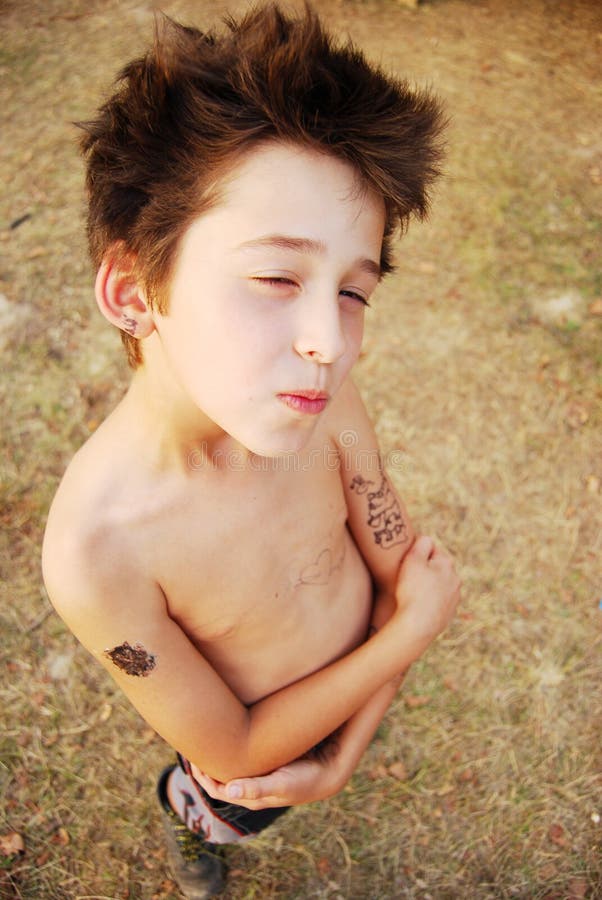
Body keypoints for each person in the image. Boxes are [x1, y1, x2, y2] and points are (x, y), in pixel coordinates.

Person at [42, 5, 460, 897]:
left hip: (366, 673)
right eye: (275, 276)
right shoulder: (97, 552)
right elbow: (232, 749)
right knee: (222, 807)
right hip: (263, 763)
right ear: (134, 291)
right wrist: (406, 640)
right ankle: (190, 826)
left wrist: (350, 742)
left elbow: (402, 577)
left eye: (353, 292)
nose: (329, 343)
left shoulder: (327, 403)